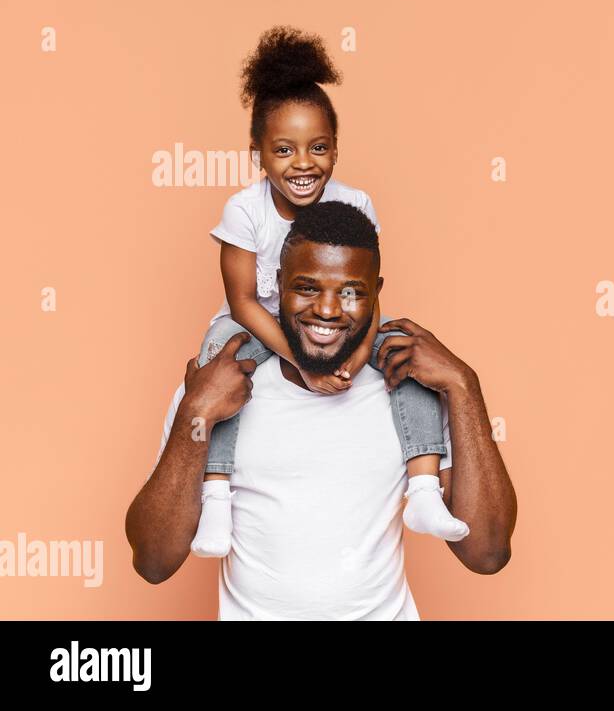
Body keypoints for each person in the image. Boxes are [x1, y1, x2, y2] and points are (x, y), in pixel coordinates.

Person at [125, 201, 518, 619]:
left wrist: (464, 385)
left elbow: (487, 553)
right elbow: (153, 562)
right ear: (279, 284)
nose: (327, 311)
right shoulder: (220, 382)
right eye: (307, 287)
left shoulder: (407, 387)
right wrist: (197, 411)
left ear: (376, 293)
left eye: (350, 292)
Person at [192, 26, 468, 558]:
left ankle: (425, 487)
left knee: (404, 351)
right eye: (284, 149)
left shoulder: (355, 202)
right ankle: (217, 494)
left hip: (334, 324)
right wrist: (304, 360)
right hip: (259, 324)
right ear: (258, 154)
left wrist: (359, 353)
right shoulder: (244, 212)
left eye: (318, 147)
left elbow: (366, 294)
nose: (303, 163)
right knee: (216, 358)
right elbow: (244, 301)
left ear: (336, 150)